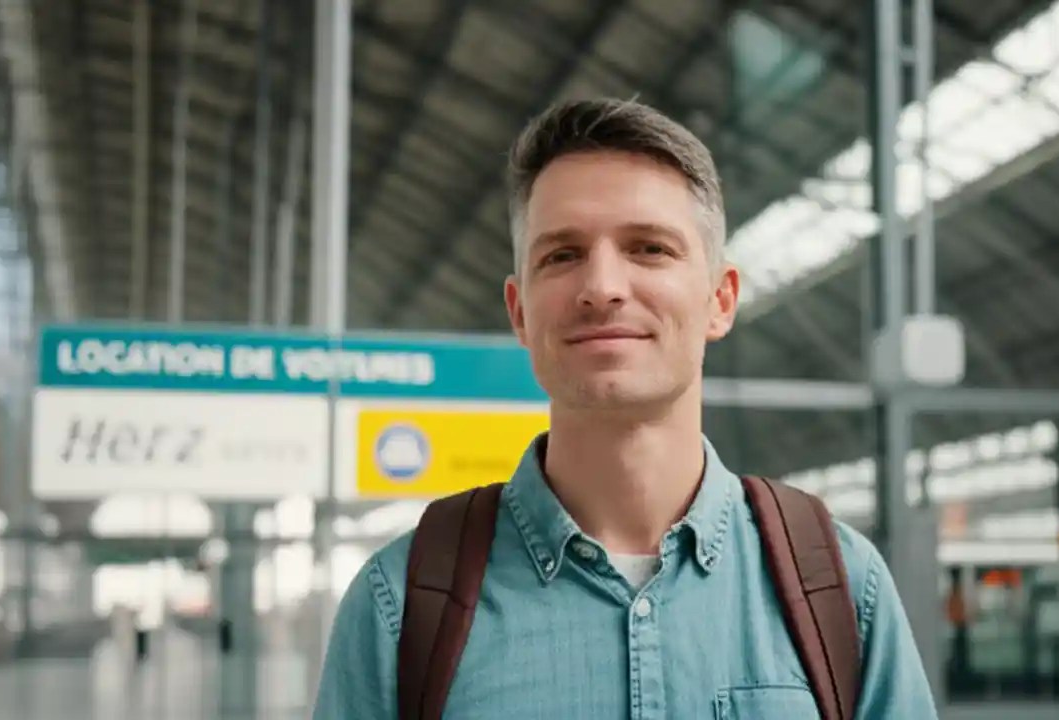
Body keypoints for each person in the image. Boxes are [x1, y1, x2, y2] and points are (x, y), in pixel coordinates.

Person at [312, 97, 937, 718]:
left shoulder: (840, 589)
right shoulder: (402, 606)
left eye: (649, 248)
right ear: (519, 312)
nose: (603, 288)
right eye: (562, 255)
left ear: (721, 299)